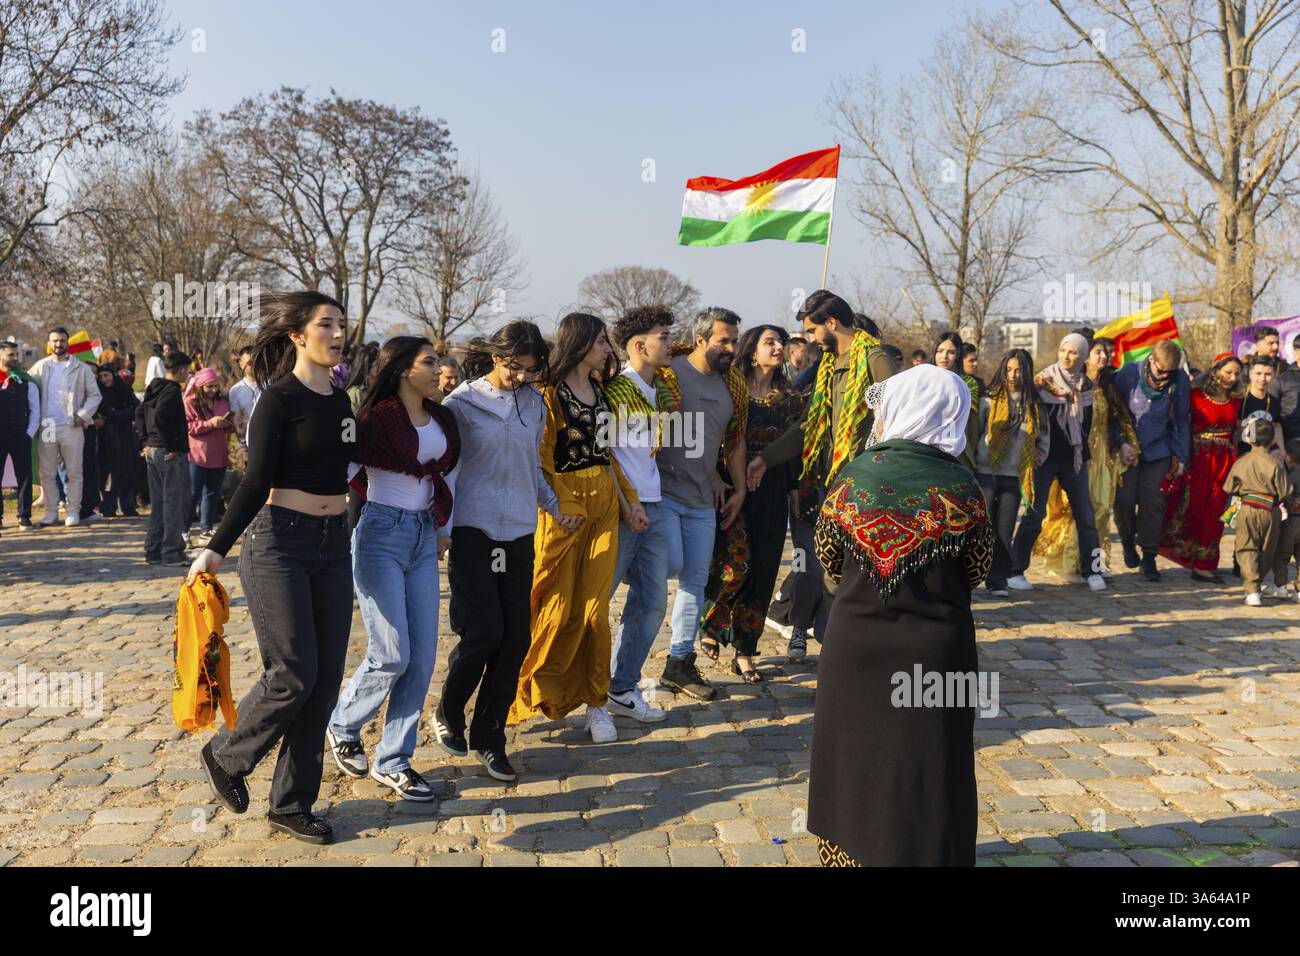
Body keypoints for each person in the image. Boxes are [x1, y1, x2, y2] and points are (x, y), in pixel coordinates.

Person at [188, 290, 354, 845]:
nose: (337, 332)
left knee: (325, 682)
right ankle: (227, 755)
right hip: (278, 545)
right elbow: (255, 483)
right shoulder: (277, 401)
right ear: (298, 336)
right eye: (326, 324)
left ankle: (290, 804)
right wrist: (215, 548)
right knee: (293, 673)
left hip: (335, 547)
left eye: (341, 324)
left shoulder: (341, 400)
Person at [810, 364, 992, 866]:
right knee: (930, 761)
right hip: (935, 652)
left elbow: (826, 557)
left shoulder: (854, 475)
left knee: (854, 757)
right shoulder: (962, 485)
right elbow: (979, 568)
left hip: (855, 646)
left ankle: (851, 856)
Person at [326, 337, 460, 801]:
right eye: (430, 362)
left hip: (424, 537)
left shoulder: (442, 417)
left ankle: (394, 759)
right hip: (381, 534)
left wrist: (445, 527)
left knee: (422, 658)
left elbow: (448, 473)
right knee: (391, 653)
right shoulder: (376, 419)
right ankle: (343, 723)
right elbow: (343, 470)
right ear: (404, 369)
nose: (440, 368)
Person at [434, 321, 566, 783]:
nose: (520, 377)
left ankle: (490, 737)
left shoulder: (535, 403)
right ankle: (449, 709)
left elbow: (532, 466)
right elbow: (446, 472)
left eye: (529, 370)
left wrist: (554, 506)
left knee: (515, 641)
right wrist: (442, 530)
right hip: (471, 530)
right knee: (484, 632)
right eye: (514, 367)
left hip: (519, 533)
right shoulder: (461, 405)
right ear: (496, 358)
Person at [509, 313, 645, 742]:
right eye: (602, 341)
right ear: (581, 342)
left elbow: (607, 457)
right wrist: (559, 505)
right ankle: (524, 688)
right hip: (563, 512)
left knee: (595, 613)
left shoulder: (603, 394)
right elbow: (541, 460)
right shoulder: (547, 396)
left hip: (603, 505)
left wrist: (629, 504)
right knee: (554, 608)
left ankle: (597, 703)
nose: (609, 349)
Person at [749, 290, 899, 658]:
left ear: (831, 323)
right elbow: (809, 425)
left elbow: (898, 420)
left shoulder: (876, 360)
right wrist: (766, 459)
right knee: (830, 570)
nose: (811, 339)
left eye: (813, 331)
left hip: (867, 485)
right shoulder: (829, 366)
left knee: (853, 574)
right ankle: (836, 648)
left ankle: (848, 651)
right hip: (830, 484)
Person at [653, 307, 749, 701]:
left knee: (694, 581)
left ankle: (678, 663)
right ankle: (617, 677)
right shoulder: (668, 370)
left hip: (701, 502)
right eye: (723, 341)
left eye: (734, 340)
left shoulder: (734, 385)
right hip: (660, 494)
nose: (731, 348)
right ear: (700, 340)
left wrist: (737, 487)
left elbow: (735, 439)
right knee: (668, 569)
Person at [699, 325, 803, 681]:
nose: (778, 348)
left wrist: (789, 486)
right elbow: (716, 434)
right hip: (729, 484)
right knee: (732, 561)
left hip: (770, 489)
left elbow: (795, 449)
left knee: (762, 569)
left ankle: (745, 651)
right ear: (752, 349)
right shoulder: (730, 387)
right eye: (769, 342)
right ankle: (712, 625)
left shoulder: (790, 397)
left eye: (781, 343)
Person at [604, 306, 676, 723]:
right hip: (622, 509)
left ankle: (622, 686)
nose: (669, 343)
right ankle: (586, 687)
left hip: (655, 503)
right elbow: (605, 454)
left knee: (651, 601)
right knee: (598, 599)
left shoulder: (661, 391)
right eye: (663, 336)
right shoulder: (617, 392)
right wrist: (625, 503)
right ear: (638, 345)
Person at [1007, 333, 1109, 592]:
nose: (1067, 356)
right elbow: (1030, 420)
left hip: (1074, 459)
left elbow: (1085, 427)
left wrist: (1082, 457)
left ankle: (1093, 570)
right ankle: (1015, 570)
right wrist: (1033, 452)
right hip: (1045, 458)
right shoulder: (1042, 383)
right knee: (1034, 513)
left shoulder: (1086, 387)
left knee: (1086, 516)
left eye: (1074, 352)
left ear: (1083, 357)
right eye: (1063, 349)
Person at [1033, 337, 1140, 581]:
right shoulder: (1071, 383)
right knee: (1075, 510)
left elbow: (1116, 421)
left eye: (1108, 353)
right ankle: (1070, 565)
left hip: (1101, 453)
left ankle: (1094, 564)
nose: (1105, 357)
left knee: (1101, 510)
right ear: (1086, 356)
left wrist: (1123, 443)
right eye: (1099, 352)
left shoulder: (1110, 385)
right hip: (1075, 451)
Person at [1158, 353, 1242, 583]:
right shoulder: (1195, 395)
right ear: (1215, 371)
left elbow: (1236, 432)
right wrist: (1180, 460)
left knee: (1216, 511)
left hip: (1224, 461)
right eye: (1228, 372)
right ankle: (1186, 555)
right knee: (1192, 508)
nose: (1232, 378)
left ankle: (1205, 564)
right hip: (1198, 459)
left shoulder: (1236, 399)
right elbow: (1180, 426)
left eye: (1236, 374)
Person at [1114, 340, 1192, 582]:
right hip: (1127, 449)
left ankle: (1149, 555)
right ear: (1151, 360)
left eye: (1170, 373)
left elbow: (1180, 421)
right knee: (1124, 501)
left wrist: (1181, 457)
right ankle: (1128, 542)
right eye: (1161, 371)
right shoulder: (1129, 373)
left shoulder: (1179, 382)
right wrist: (1120, 442)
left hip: (1159, 450)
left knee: (1153, 502)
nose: (1164, 377)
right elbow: (1112, 411)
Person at [974, 349, 1047, 595]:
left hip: (1015, 475)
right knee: (982, 528)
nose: (1012, 375)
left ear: (1026, 372)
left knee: (1004, 532)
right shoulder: (989, 399)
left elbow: (1044, 435)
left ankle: (997, 581)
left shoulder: (1035, 404)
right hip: (985, 472)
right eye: (1008, 370)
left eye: (1018, 370)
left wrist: (1040, 454)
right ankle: (971, 576)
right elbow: (975, 433)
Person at [29, 327, 102, 527]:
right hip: (48, 425)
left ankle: (73, 511)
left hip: (72, 425)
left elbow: (95, 395)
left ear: (67, 342)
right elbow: (28, 390)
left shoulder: (81, 368)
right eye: (55, 341)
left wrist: (83, 415)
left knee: (74, 471)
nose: (58, 344)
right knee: (47, 471)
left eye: (62, 340)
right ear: (49, 343)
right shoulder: (40, 367)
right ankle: (51, 511)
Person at [136, 350, 193, 565]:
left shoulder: (154, 388)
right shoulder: (170, 391)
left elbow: (139, 412)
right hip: (166, 451)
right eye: (187, 371)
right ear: (180, 370)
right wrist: (170, 444)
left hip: (152, 449)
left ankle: (153, 550)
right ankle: (171, 552)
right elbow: (161, 417)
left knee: (159, 503)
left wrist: (144, 440)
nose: (188, 375)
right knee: (172, 502)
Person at [1225, 420, 1289, 606]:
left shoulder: (1241, 461)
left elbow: (1229, 487)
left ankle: (1252, 589)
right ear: (1271, 442)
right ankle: (1257, 582)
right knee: (1267, 550)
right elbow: (1284, 492)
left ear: (1250, 440)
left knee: (1246, 548)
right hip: (1270, 511)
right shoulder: (1275, 464)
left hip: (1246, 509)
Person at [184, 367, 234, 544]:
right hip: (197, 455)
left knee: (212, 494)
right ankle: (185, 529)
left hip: (218, 454)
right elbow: (189, 427)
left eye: (215, 386)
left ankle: (206, 529)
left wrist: (229, 423)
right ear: (200, 386)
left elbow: (229, 428)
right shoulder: (190, 402)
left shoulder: (222, 403)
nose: (213, 390)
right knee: (193, 493)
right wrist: (209, 423)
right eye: (209, 387)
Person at [0, 340, 39, 531]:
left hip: (20, 435)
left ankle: (24, 516)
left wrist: (29, 433)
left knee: (24, 476)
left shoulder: (26, 380)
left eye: (17, 355)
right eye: (11, 355)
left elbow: (35, 409)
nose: (15, 358)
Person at [93, 362, 140, 518]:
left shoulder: (123, 389)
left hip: (125, 436)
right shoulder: (98, 393)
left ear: (113, 375)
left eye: (106, 375)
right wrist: (114, 414)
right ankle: (108, 507)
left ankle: (128, 506)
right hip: (107, 437)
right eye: (101, 377)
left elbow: (135, 407)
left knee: (127, 471)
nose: (104, 379)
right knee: (108, 474)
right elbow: (101, 410)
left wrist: (119, 414)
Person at [933, 331, 981, 472]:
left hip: (958, 450)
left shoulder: (967, 383)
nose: (944, 357)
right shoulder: (924, 378)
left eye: (951, 352)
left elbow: (971, 424)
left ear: (958, 355)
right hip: (926, 449)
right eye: (940, 351)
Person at [1268, 437, 1300, 599]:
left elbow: (1284, 496)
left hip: (1292, 520)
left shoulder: (1290, 477)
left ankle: (1280, 586)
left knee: (1282, 554)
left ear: (1289, 457)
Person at [1237, 355, 1285, 459]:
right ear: (1250, 374)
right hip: (1241, 456)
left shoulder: (1274, 402)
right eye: (1258, 373)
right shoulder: (1239, 399)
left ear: (1273, 375)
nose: (1262, 379)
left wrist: (1282, 450)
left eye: (1267, 374)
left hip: (1264, 457)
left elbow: (1276, 426)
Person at [227, 346, 261, 453]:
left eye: (257, 361)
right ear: (242, 365)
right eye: (250, 362)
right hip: (249, 440)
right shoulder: (235, 390)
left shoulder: (269, 384)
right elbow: (237, 419)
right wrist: (242, 440)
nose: (254, 365)